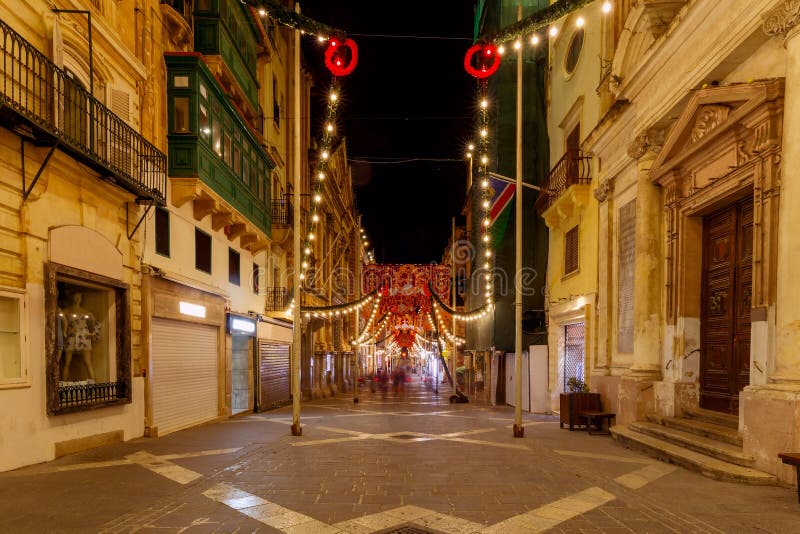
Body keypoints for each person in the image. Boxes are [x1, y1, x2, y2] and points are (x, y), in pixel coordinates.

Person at [61, 291, 100, 382]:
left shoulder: (85, 312)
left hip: (83, 337)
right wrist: (63, 333)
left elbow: (96, 324)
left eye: (79, 297)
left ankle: (94, 385)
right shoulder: (66, 310)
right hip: (71, 336)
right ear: (72, 298)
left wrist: (92, 334)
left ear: (81, 299)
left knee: (88, 362)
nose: (77, 299)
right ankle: (64, 386)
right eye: (75, 297)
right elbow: (61, 322)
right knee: (67, 362)